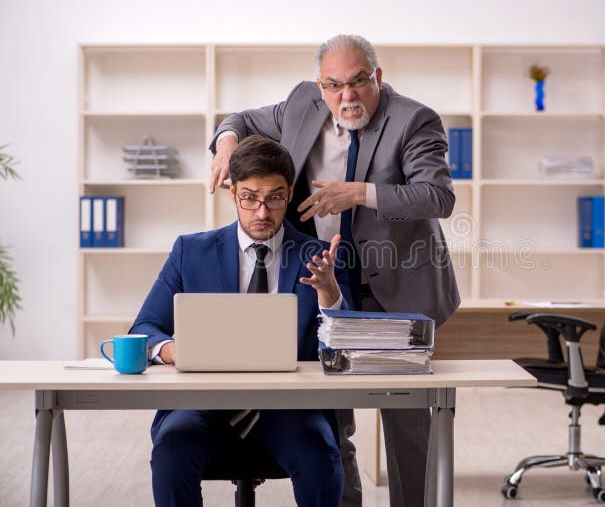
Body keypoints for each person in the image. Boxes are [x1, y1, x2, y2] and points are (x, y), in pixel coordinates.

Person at [208, 34, 461, 507]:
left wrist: (359, 193)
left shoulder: (414, 120)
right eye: (334, 85)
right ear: (320, 85)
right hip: (323, 285)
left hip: (395, 290)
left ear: (377, 77)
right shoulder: (301, 103)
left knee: (406, 423)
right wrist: (226, 146)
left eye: (358, 81)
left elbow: (438, 196)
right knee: (331, 422)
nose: (347, 96)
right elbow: (238, 119)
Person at [130, 136, 350, 507]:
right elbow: (144, 329)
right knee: (172, 448)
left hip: (290, 408)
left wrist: (329, 293)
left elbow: (345, 351)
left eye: (275, 198)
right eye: (250, 197)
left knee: (321, 457)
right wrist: (174, 351)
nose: (262, 212)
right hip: (204, 404)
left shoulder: (319, 257)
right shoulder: (190, 251)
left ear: (289, 194)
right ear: (232, 193)